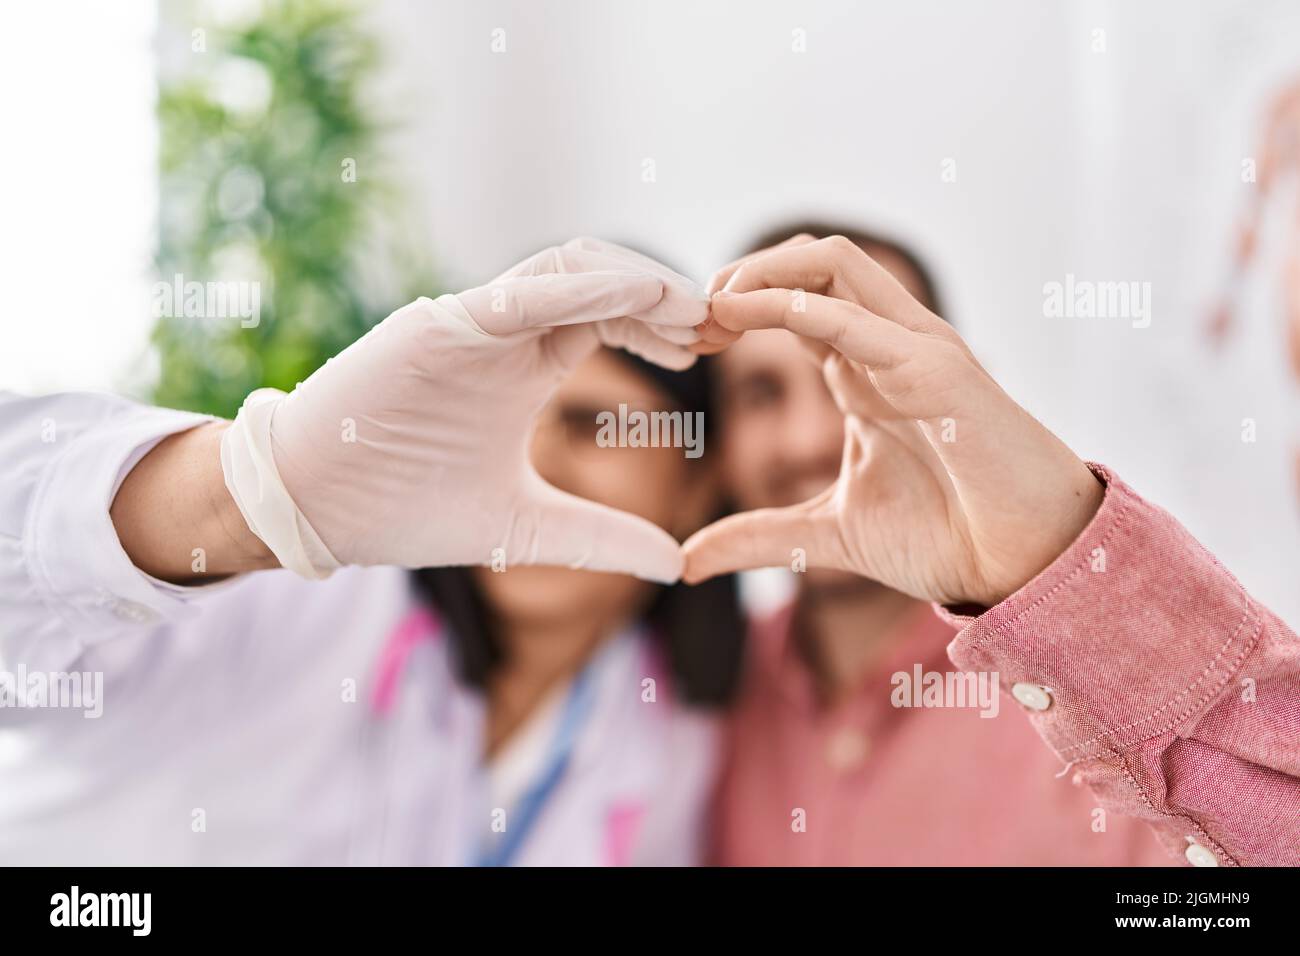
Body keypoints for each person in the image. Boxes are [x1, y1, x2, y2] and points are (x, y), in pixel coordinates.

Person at [0, 237, 742, 865]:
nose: (537, 463)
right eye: (512, 425)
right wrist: (257, 493)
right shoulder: (299, 598)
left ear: (697, 483)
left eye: (591, 425)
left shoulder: (668, 741)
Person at [690, 231, 1300, 866]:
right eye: (761, 393)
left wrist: (1065, 559)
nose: (809, 440)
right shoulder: (696, 701)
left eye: (861, 373)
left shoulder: (1086, 724)